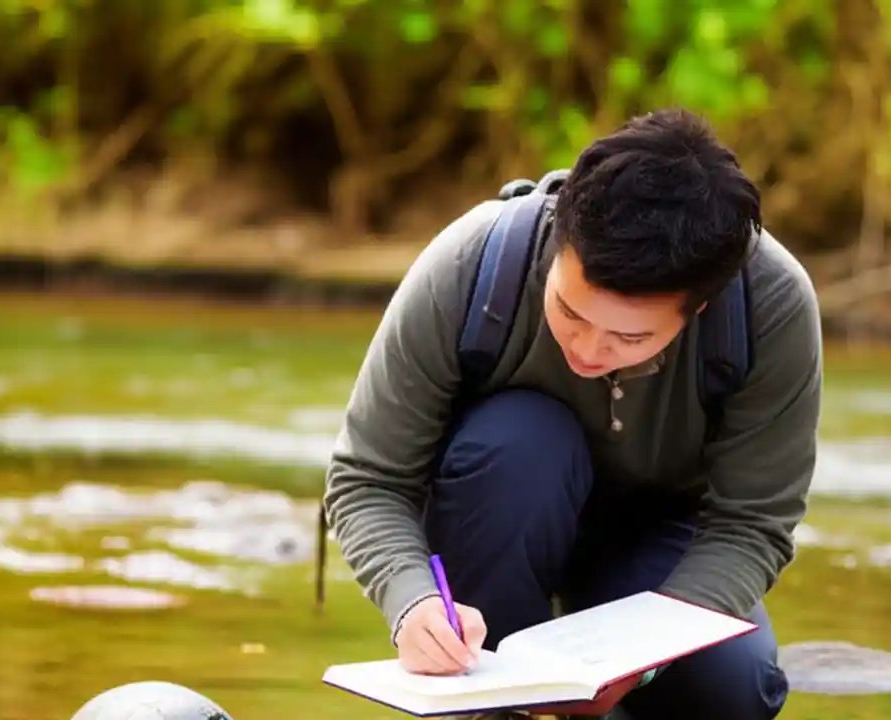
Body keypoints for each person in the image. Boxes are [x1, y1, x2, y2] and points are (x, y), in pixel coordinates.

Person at [324, 108, 822, 719]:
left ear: (699, 309)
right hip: (496, 512)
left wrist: (646, 658)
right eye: (570, 310)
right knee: (520, 443)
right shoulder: (474, 262)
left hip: (659, 540)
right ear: (559, 241)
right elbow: (367, 478)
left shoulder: (770, 306)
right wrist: (412, 601)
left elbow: (752, 524)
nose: (588, 350)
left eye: (629, 338)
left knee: (732, 682)